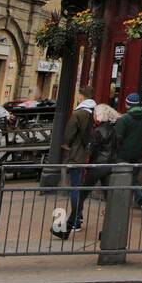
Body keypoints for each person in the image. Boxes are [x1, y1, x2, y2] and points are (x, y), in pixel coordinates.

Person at [60, 85, 96, 231]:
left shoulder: (78, 113)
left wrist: (67, 145)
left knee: (75, 188)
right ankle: (78, 216)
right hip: (92, 155)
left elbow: (68, 135)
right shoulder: (96, 112)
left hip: (77, 155)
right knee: (81, 187)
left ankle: (76, 219)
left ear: (81, 96)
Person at [114, 92, 142, 209]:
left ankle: (118, 205)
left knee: (120, 178)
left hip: (123, 154)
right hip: (137, 154)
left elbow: (117, 137)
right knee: (133, 178)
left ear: (128, 104)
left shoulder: (124, 119)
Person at [84, 103, 120, 204]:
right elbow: (116, 147)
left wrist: (86, 165)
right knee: (108, 195)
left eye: (95, 114)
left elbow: (90, 149)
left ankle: (74, 217)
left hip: (97, 165)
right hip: (108, 165)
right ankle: (112, 217)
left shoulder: (97, 131)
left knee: (82, 193)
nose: (94, 116)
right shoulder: (113, 130)